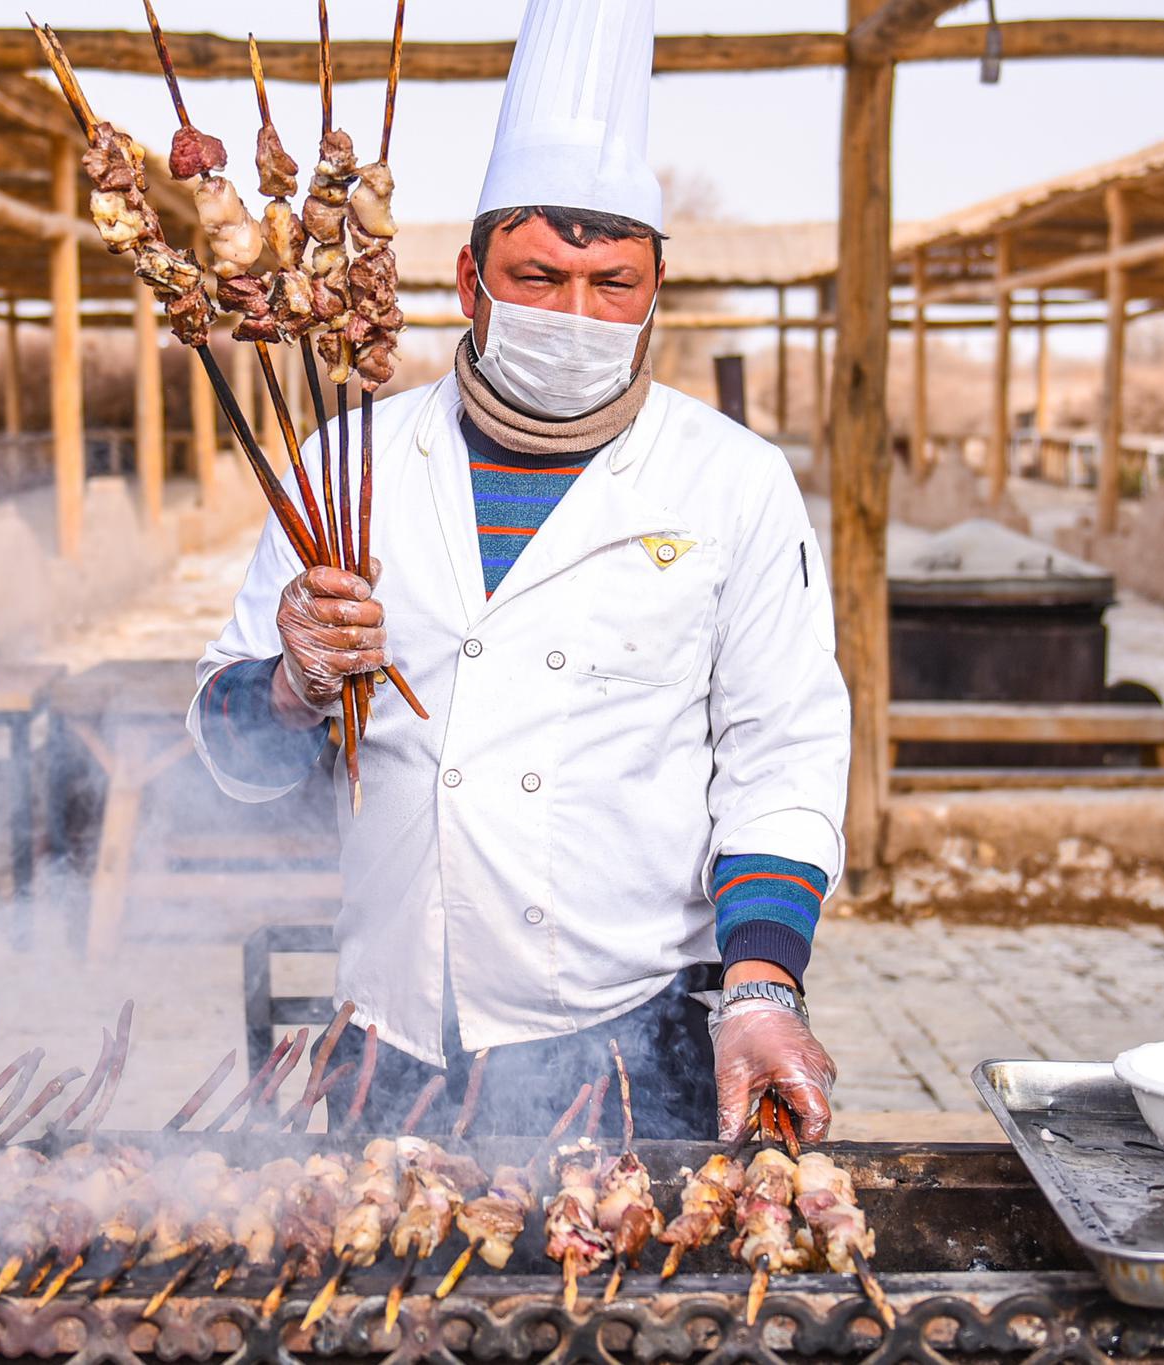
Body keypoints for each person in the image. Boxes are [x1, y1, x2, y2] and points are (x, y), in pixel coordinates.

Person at [185, 0, 851, 1141]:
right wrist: (293, 679)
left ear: (654, 292)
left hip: (633, 1036)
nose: (576, 313)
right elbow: (229, 758)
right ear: (468, 277)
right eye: (538, 277)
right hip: (388, 1030)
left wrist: (760, 987)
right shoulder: (349, 459)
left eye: (613, 285)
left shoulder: (731, 483)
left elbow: (779, 753)